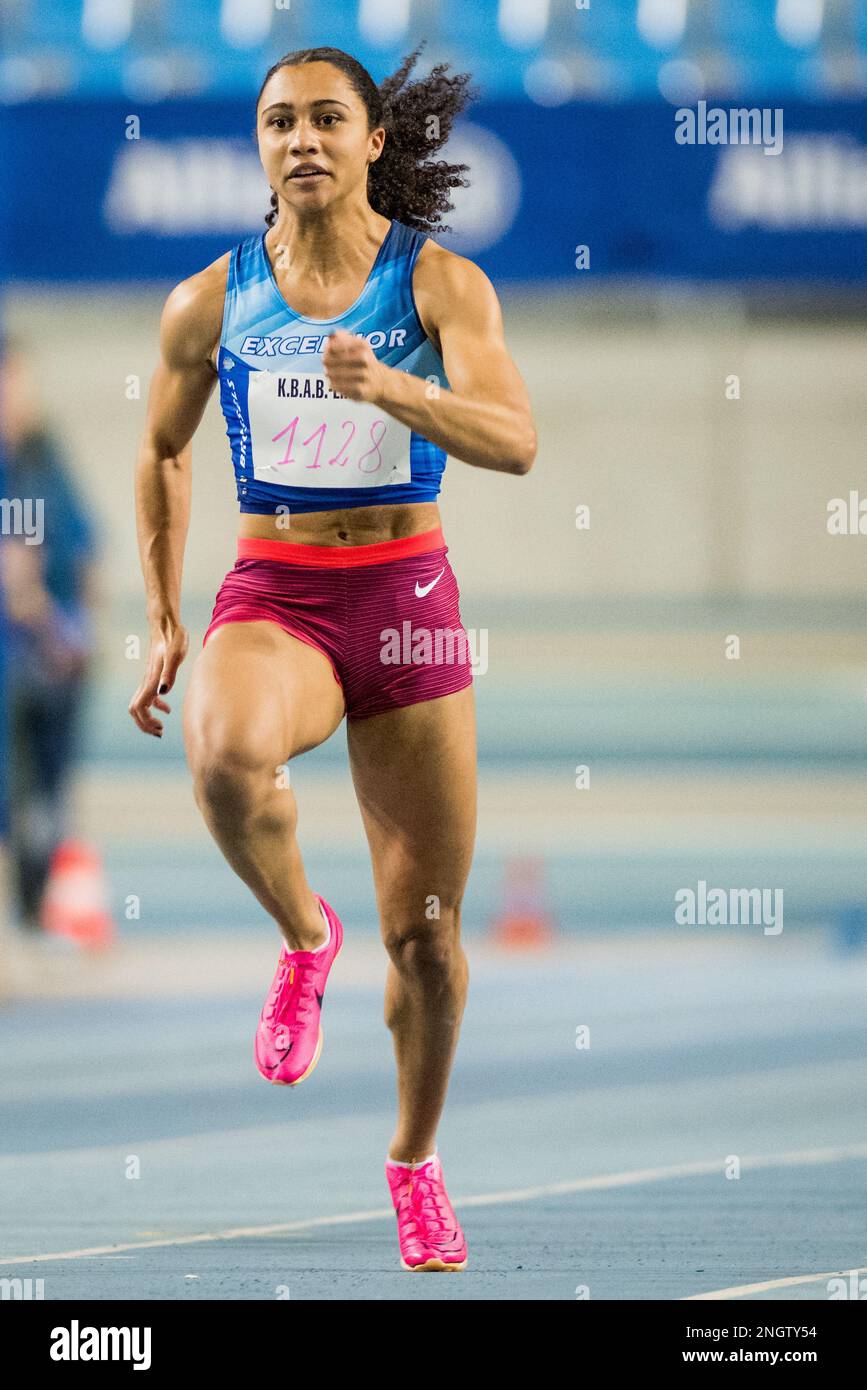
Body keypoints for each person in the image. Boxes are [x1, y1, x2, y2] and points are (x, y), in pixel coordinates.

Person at [129, 45, 536, 1272]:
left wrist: (394, 392)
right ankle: (307, 937)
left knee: (429, 939)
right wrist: (161, 611)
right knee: (223, 751)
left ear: (371, 142)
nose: (300, 140)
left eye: (324, 120)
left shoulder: (439, 288)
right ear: (260, 150)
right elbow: (160, 448)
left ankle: (412, 1161)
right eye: (277, 123)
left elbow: (516, 440)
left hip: (407, 599)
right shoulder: (212, 300)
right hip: (284, 589)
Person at [0, 343, 99, 934]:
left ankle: (36, 910)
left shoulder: (44, 459)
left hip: (49, 664)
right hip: (19, 657)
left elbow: (85, 549)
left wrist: (79, 635)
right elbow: (19, 577)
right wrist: (54, 629)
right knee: (16, 794)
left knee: (48, 796)